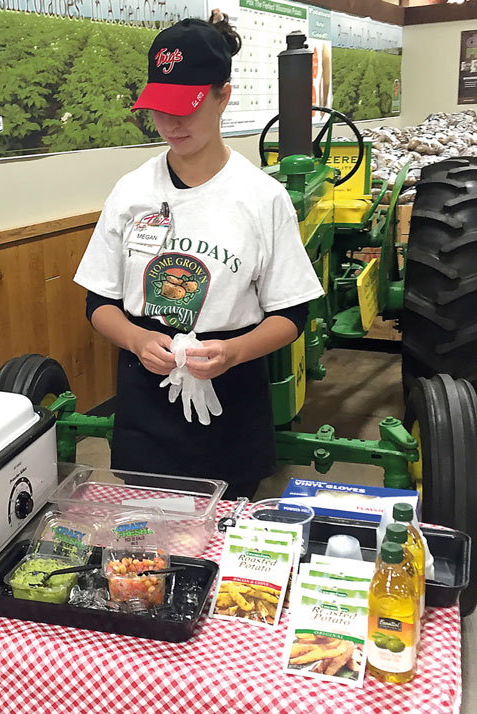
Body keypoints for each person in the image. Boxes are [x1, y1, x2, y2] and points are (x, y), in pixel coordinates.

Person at [73, 17, 324, 500]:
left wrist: (233, 352)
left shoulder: (261, 198)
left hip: (230, 399)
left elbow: (291, 315)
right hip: (146, 396)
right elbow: (98, 303)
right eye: (160, 109)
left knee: (223, 534)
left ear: (222, 96)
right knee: (143, 536)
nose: (171, 124)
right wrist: (136, 338)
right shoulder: (131, 192)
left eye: (185, 108)